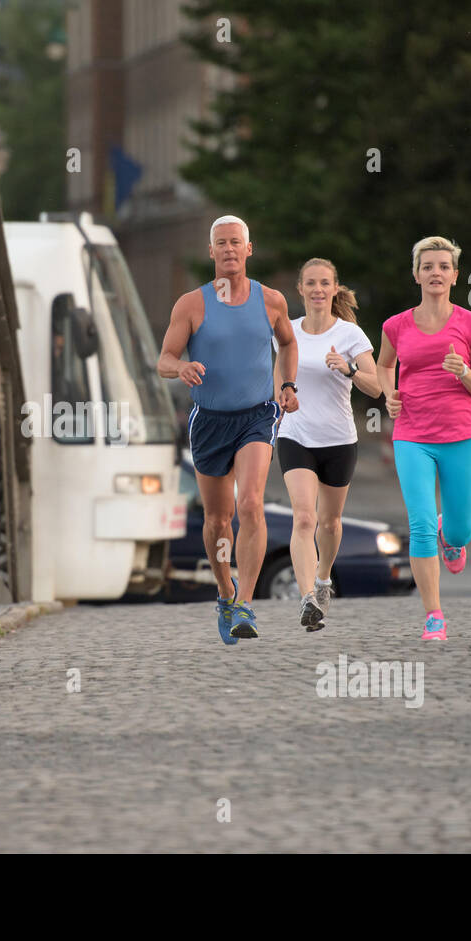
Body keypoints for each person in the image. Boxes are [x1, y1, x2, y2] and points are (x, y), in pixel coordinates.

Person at [158, 215, 299, 644]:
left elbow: (288, 342)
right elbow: (163, 359)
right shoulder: (191, 304)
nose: (229, 250)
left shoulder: (271, 300)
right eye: (221, 243)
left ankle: (246, 605)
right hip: (210, 421)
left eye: (236, 242)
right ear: (212, 252)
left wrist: (287, 384)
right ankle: (225, 592)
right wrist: (181, 366)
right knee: (219, 520)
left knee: (251, 504)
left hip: (257, 415)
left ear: (248, 249)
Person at [377, 237, 471, 641]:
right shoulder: (396, 325)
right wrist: (388, 393)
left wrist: (462, 371)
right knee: (421, 524)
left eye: (444, 266)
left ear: (455, 276)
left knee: (460, 530)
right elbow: (383, 365)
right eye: (428, 266)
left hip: (462, 434)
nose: (436, 273)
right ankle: (434, 615)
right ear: (416, 274)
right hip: (412, 435)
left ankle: (453, 535)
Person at [276, 258, 381, 631]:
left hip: (338, 438)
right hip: (296, 434)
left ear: (334, 288)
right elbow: (277, 372)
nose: (318, 289)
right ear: (300, 289)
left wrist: (349, 369)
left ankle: (323, 580)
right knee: (304, 517)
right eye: (311, 283)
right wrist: (282, 396)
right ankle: (307, 597)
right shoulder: (286, 331)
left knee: (330, 522)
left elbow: (377, 386)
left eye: (325, 283)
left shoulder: (351, 335)